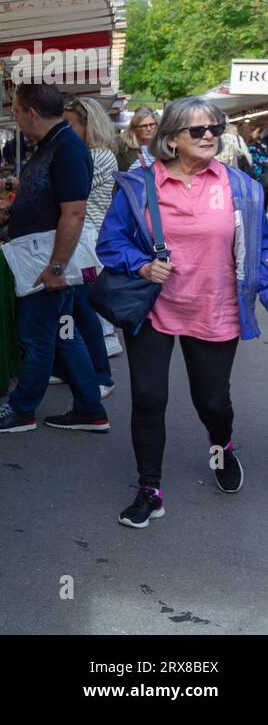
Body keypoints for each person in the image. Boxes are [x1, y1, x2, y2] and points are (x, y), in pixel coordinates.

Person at [97, 97, 268, 527]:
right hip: (153, 308)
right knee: (150, 398)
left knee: (212, 401)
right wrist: (141, 263)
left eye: (216, 126)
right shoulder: (139, 186)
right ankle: (149, 490)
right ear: (172, 139)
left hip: (217, 308)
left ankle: (221, 446)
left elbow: (261, 251)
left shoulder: (242, 188)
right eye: (198, 130)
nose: (210, 134)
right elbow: (110, 242)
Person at [0, 81, 104, 433]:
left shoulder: (67, 149)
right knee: (64, 335)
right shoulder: (54, 144)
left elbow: (74, 214)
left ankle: (23, 410)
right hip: (44, 260)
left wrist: (56, 268)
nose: (16, 119)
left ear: (32, 113)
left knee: (37, 337)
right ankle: (90, 409)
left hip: (46, 265)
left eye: (17, 112)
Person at [59, 95, 122, 375]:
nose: (64, 130)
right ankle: (71, 366)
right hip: (82, 239)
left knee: (82, 305)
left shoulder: (98, 156)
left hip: (87, 241)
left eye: (69, 125)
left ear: (88, 125)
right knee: (71, 306)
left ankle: (99, 370)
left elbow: (68, 190)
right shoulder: (89, 153)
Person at [118, 106, 158, 171]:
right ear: (134, 129)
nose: (149, 129)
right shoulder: (125, 148)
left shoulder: (164, 146)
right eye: (144, 126)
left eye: (152, 124)